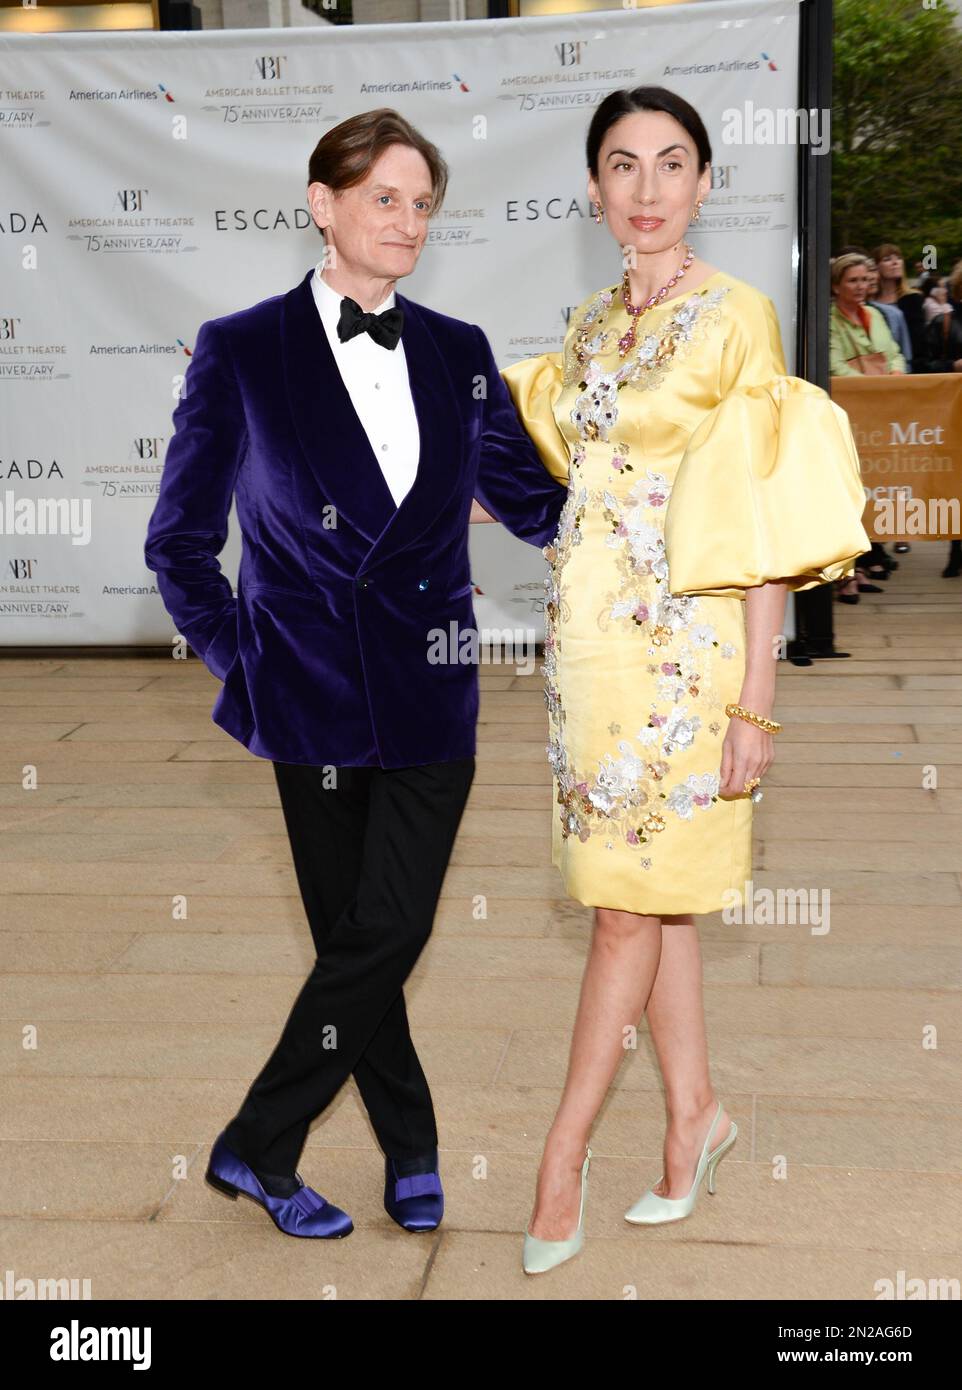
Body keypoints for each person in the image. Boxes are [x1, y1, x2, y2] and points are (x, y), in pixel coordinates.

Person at [144, 108, 566, 1239]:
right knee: (358, 941)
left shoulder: (457, 350)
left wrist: (655, 529)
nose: (408, 221)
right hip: (311, 698)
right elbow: (178, 542)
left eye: (422, 202)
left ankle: (256, 1142)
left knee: (386, 928)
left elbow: (532, 504)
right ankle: (411, 1144)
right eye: (384, 197)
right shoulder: (239, 347)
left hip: (432, 687)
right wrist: (250, 659)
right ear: (321, 204)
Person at [498, 86, 871, 1275]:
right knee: (650, 898)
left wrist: (757, 695)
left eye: (670, 164)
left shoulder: (736, 321)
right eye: (622, 165)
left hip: (688, 661)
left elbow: (758, 521)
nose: (646, 189)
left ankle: (560, 1158)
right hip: (589, 659)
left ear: (705, 182)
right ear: (594, 188)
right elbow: (573, 491)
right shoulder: (582, 327)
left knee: (621, 907)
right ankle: (693, 1116)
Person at [829, 252, 906, 595]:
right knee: (843, 491)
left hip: (877, 414)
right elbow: (831, 364)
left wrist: (895, 374)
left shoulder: (874, 314)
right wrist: (872, 386)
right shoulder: (828, 319)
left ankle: (862, 563)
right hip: (844, 414)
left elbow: (894, 353)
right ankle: (845, 573)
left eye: (865, 280)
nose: (861, 287)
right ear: (836, 285)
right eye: (853, 280)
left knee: (870, 488)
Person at [920, 260, 962, 578]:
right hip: (954, 414)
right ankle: (956, 548)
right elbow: (922, 366)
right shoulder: (944, 323)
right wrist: (952, 367)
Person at [873, 243, 929, 371]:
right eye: (887, 259)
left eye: (898, 258)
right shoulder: (868, 302)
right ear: (876, 267)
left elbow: (919, 344)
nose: (895, 262)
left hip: (908, 368)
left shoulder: (913, 299)